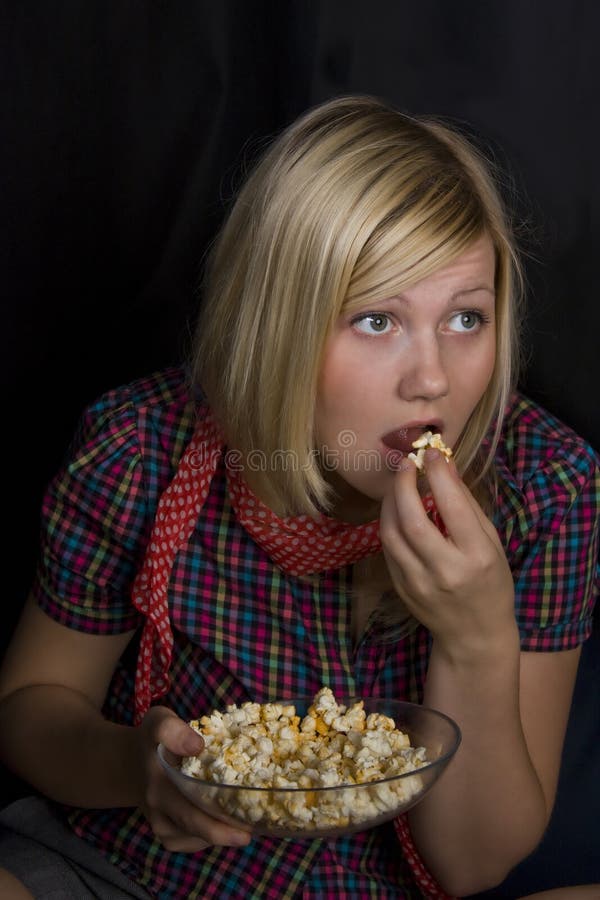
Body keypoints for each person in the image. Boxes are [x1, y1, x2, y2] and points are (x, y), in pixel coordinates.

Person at [0, 95, 598, 900]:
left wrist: (477, 638)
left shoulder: (548, 486)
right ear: (279, 323)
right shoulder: (141, 448)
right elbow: (33, 706)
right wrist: (136, 768)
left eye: (465, 317)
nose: (432, 380)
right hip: (118, 874)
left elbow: (474, 865)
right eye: (377, 320)